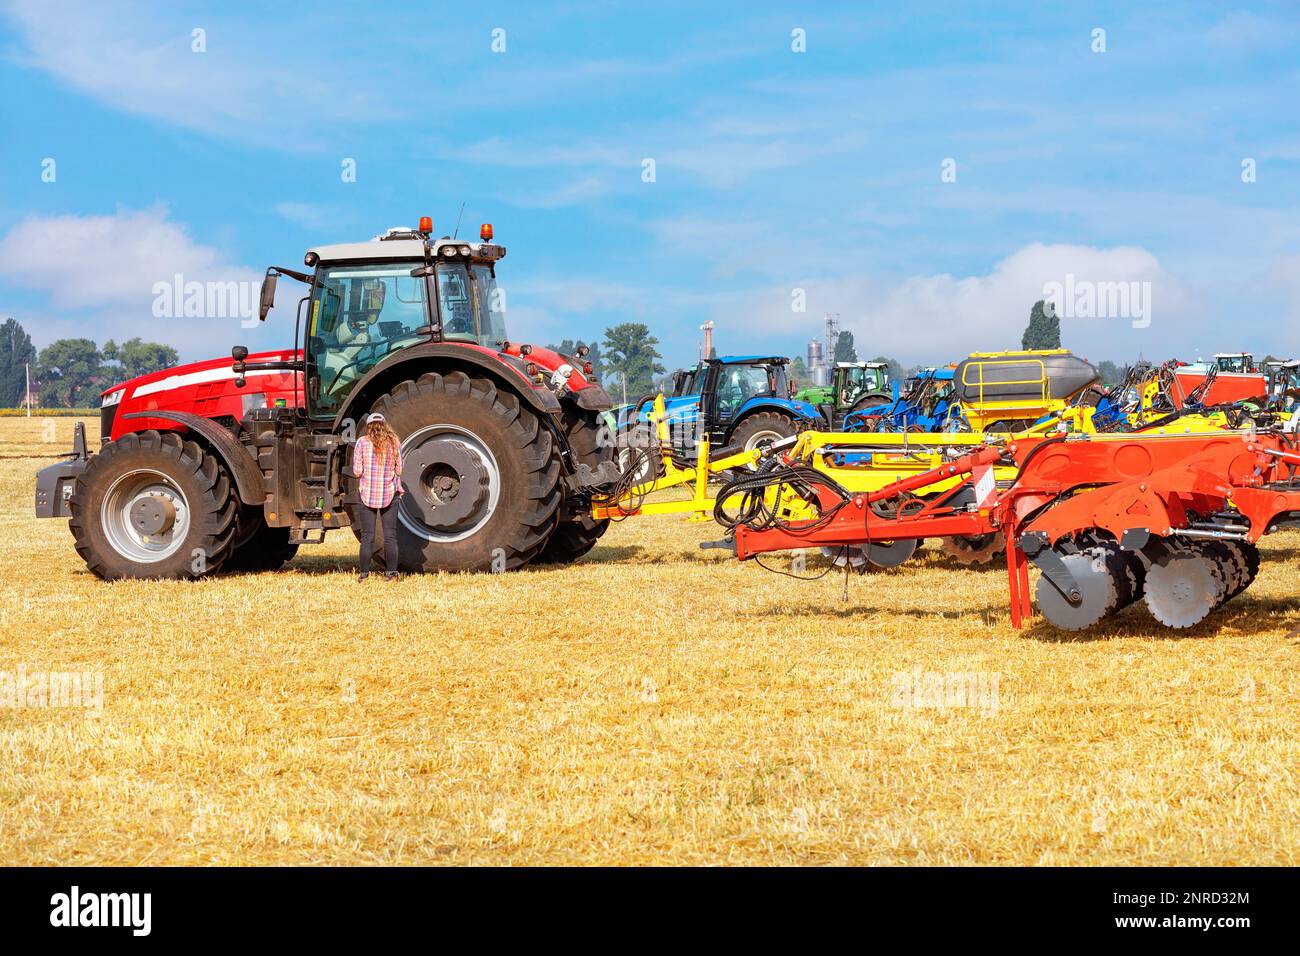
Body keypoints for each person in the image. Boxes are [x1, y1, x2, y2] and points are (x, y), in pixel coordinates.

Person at [353, 412, 403, 581]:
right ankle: (391, 574)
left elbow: (357, 471)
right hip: (389, 493)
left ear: (368, 427)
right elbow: (399, 471)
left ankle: (363, 575)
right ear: (384, 425)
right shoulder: (394, 442)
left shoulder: (361, 443)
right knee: (390, 535)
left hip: (367, 494)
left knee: (367, 536)